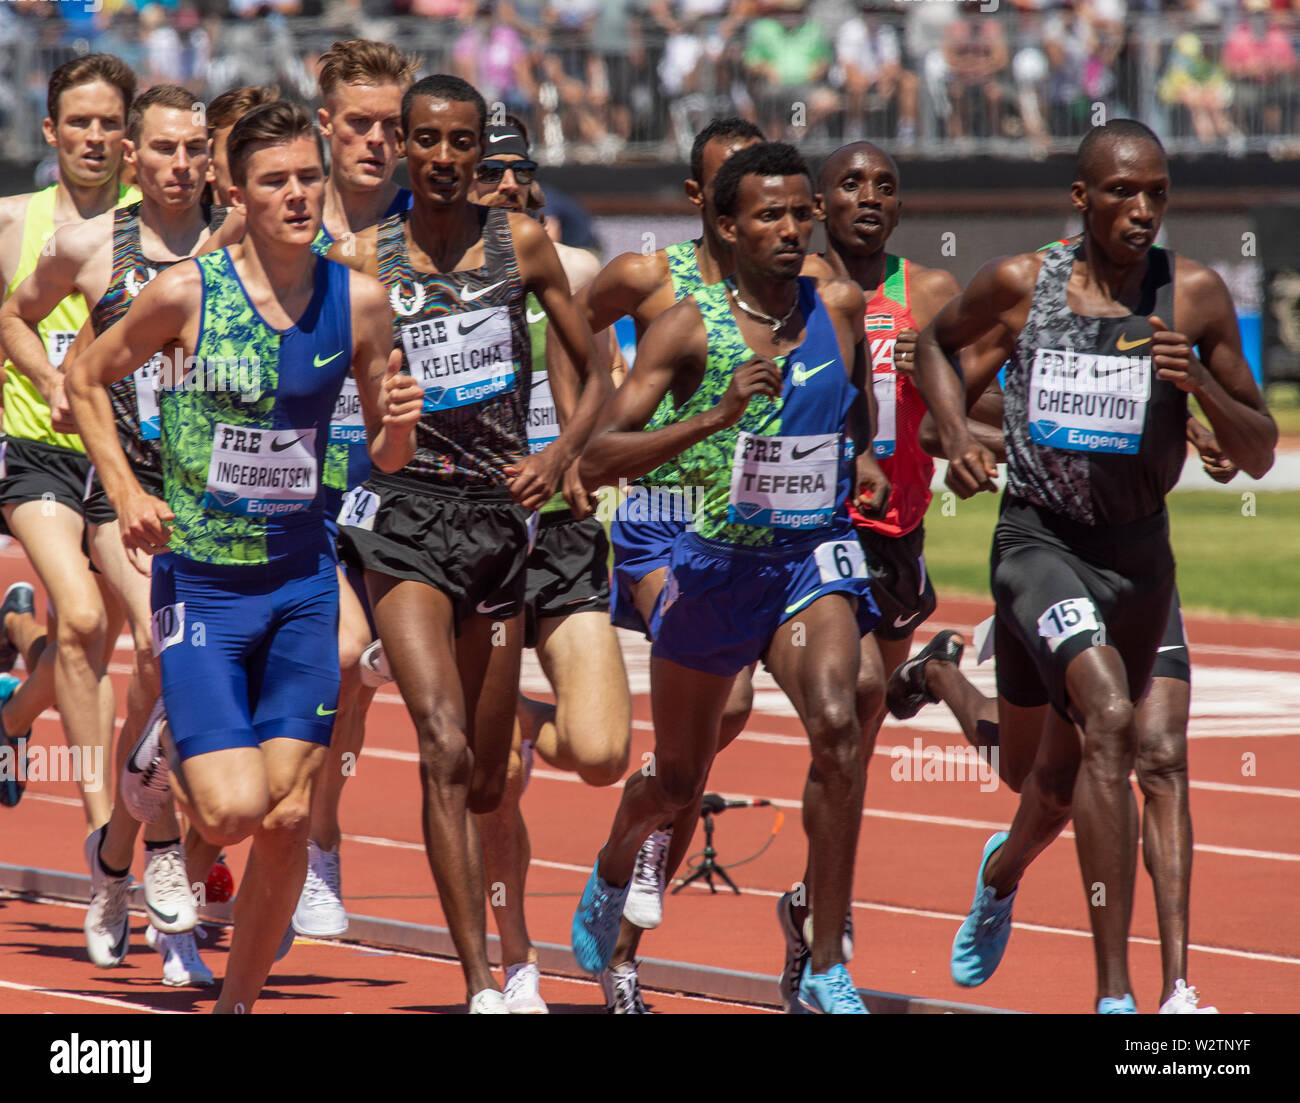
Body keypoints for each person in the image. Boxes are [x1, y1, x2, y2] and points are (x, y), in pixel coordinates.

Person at [911, 119, 1276, 1013]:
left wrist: (1203, 387)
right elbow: (929, 347)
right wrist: (957, 435)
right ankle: (1119, 1000)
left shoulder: (1192, 296)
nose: (1142, 209)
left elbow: (1260, 449)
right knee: (1114, 719)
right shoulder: (1019, 283)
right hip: (1039, 544)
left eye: (1157, 192)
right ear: (1082, 198)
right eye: (1123, 191)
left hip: (1140, 558)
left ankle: (1009, 873)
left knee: (1063, 781)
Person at [66, 98, 421, 1014]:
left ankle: (236, 1006)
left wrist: (399, 428)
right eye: (276, 181)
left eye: (310, 176)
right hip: (205, 587)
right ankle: (161, 757)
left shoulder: (362, 300)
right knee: (225, 813)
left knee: (292, 816)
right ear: (238, 191)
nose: (299, 194)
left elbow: (384, 453)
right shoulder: (189, 290)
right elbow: (84, 375)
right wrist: (132, 489)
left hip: (302, 580)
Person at [573, 141, 890, 1014]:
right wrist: (715, 415)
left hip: (810, 552)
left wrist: (861, 455)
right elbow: (602, 453)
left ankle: (827, 962)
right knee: (678, 780)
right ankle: (613, 863)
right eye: (768, 215)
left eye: (800, 213)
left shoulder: (841, 306)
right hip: (711, 563)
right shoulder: (689, 326)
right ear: (725, 224)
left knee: (838, 722)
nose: (790, 230)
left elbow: (850, 398)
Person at [326, 74, 601, 1013]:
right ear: (402, 145)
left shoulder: (522, 245)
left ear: (482, 150)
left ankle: (513, 950)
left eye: (461, 143)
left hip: (498, 520)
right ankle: (482, 982)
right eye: (427, 141)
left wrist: (559, 452)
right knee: (441, 745)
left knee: (489, 776)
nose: (444, 159)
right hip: (399, 518)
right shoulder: (359, 258)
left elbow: (593, 363)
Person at [6, 82, 235, 984]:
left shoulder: (242, 242)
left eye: (195, 149)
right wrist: (60, 384)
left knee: (166, 669)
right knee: (125, 633)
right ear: (137, 158)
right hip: (108, 483)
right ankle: (144, 861)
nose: (181, 165)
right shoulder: (89, 245)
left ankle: (121, 855)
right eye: (165, 149)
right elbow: (16, 313)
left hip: (210, 497)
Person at [556, 116, 764, 1012]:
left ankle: (626, 868)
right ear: (698, 199)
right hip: (654, 518)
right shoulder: (648, 276)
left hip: (741, 528)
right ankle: (631, 863)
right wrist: (579, 443)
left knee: (694, 755)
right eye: (727, 191)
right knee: (739, 700)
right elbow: (573, 333)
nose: (743, 212)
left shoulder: (794, 292)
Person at [466, 114, 630, 1013]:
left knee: (604, 751)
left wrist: (573, 456)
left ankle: (526, 716)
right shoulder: (423, 279)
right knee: (494, 782)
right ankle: (515, 956)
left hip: (559, 530)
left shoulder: (571, 273)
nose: (506, 185)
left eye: (520, 170)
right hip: (463, 532)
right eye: (488, 171)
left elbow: (601, 380)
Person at [291, 37, 420, 943]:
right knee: (342, 664)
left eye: (393, 127)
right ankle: (316, 850)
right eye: (361, 124)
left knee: (360, 685)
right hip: (290, 484)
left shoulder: (438, 220)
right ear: (326, 120)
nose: (378, 141)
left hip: (402, 484)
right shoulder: (283, 204)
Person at [0, 54, 138, 832]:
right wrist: (52, 382)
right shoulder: (14, 221)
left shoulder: (153, 222)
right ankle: (97, 833)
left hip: (126, 462)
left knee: (103, 639)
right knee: (83, 620)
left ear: (130, 134)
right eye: (78, 123)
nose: (94, 137)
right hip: (35, 453)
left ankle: (13, 712)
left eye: (109, 123)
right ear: (51, 130)